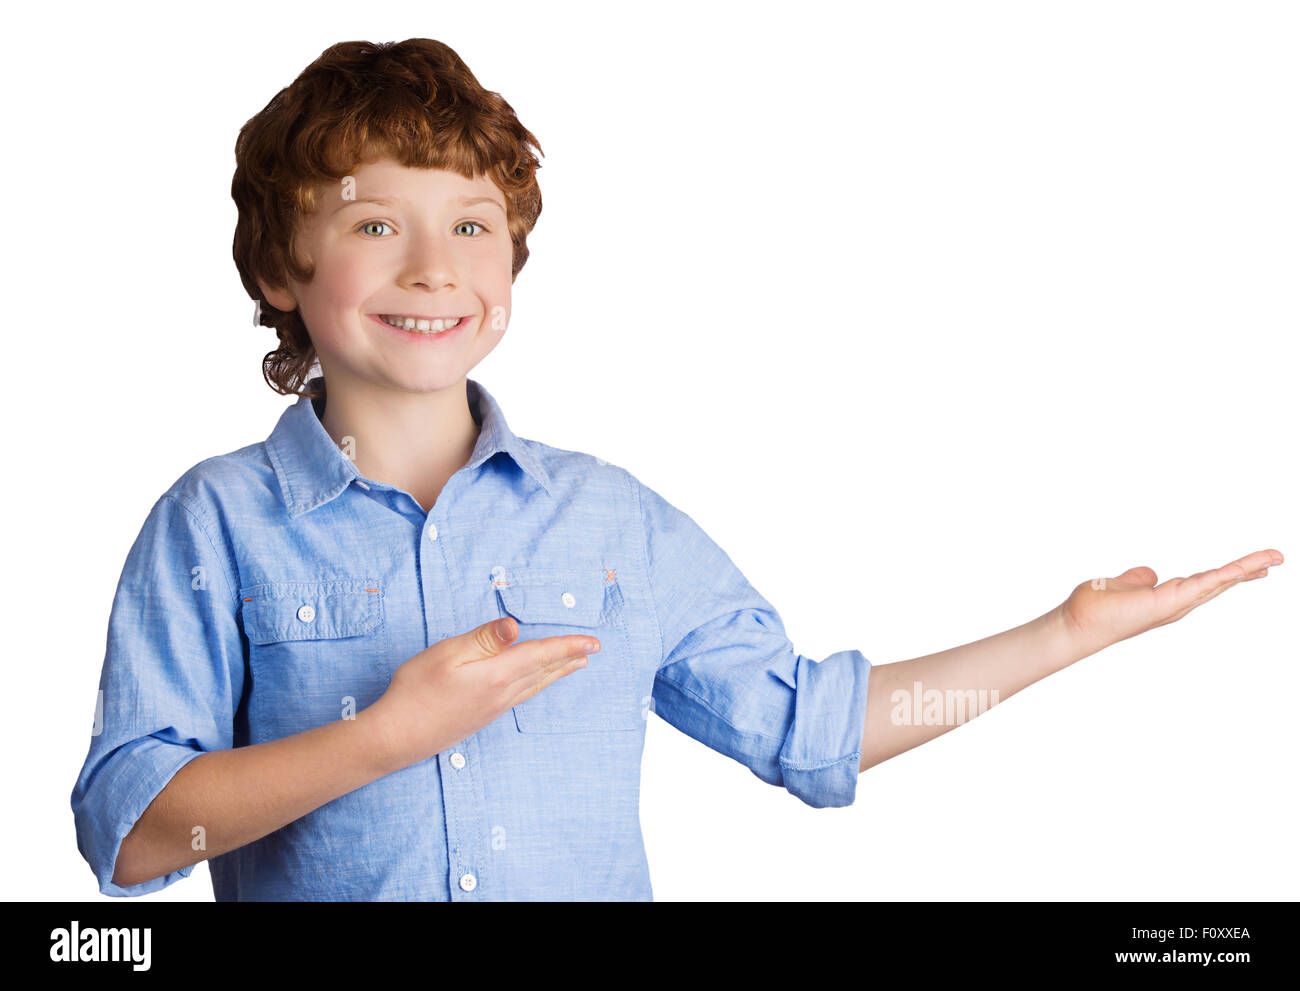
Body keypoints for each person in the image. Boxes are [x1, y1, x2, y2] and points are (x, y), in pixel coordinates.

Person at [70, 38, 1283, 901]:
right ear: (281, 268)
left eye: (474, 224)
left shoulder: (610, 522)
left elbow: (810, 729)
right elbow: (127, 836)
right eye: (376, 223)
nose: (435, 265)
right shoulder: (214, 525)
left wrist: (1062, 634)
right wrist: (387, 736)